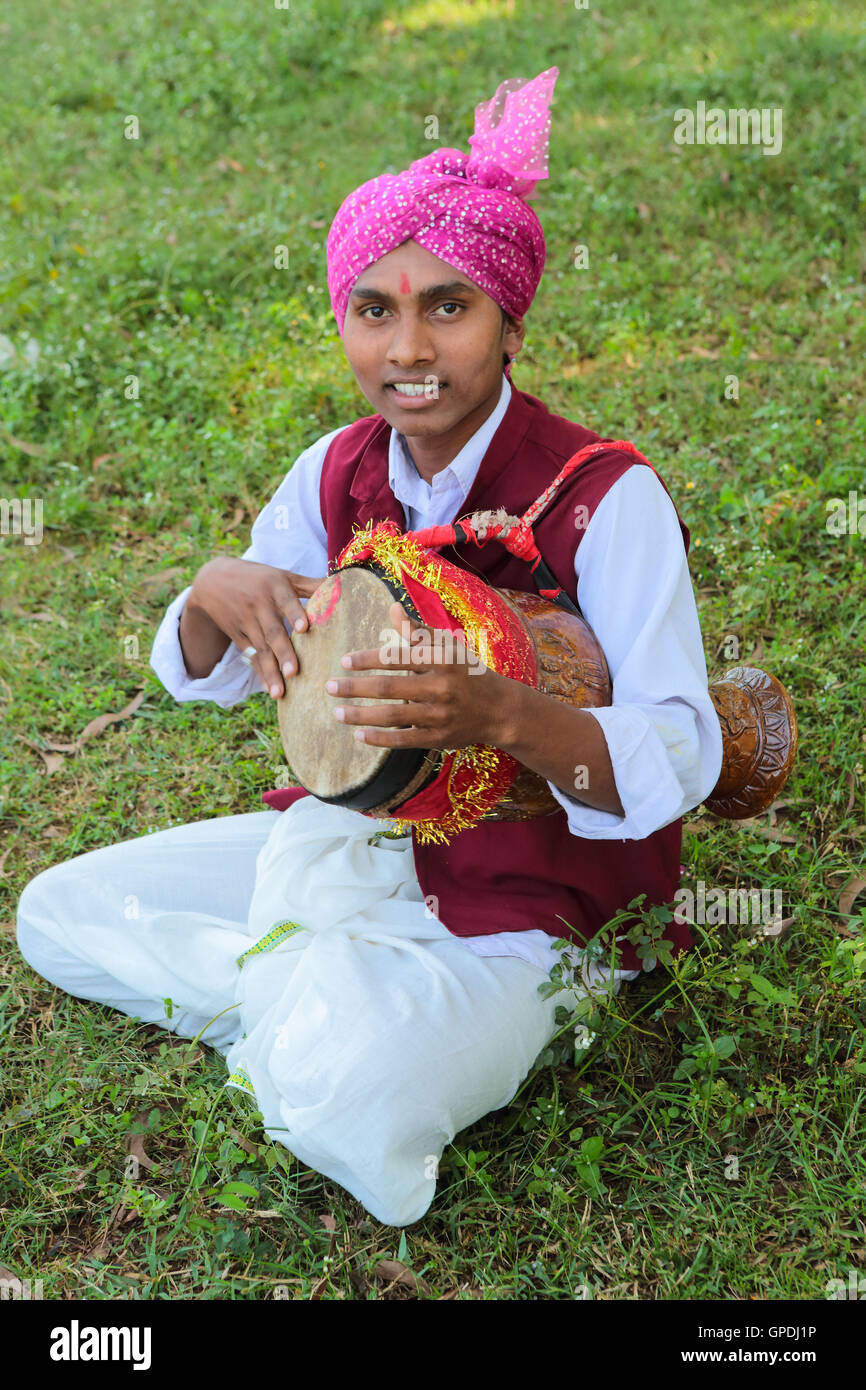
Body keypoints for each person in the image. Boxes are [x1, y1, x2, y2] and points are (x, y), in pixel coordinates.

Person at [15, 66, 722, 1227]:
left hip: (535, 909)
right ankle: (316, 1000)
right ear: (342, 321)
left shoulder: (603, 496)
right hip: (354, 843)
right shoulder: (336, 469)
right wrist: (214, 591)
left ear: (509, 323)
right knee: (56, 911)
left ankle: (320, 1010)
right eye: (372, 310)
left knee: (360, 1107)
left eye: (448, 307)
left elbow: (681, 750)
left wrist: (501, 715)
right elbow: (219, 667)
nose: (408, 346)